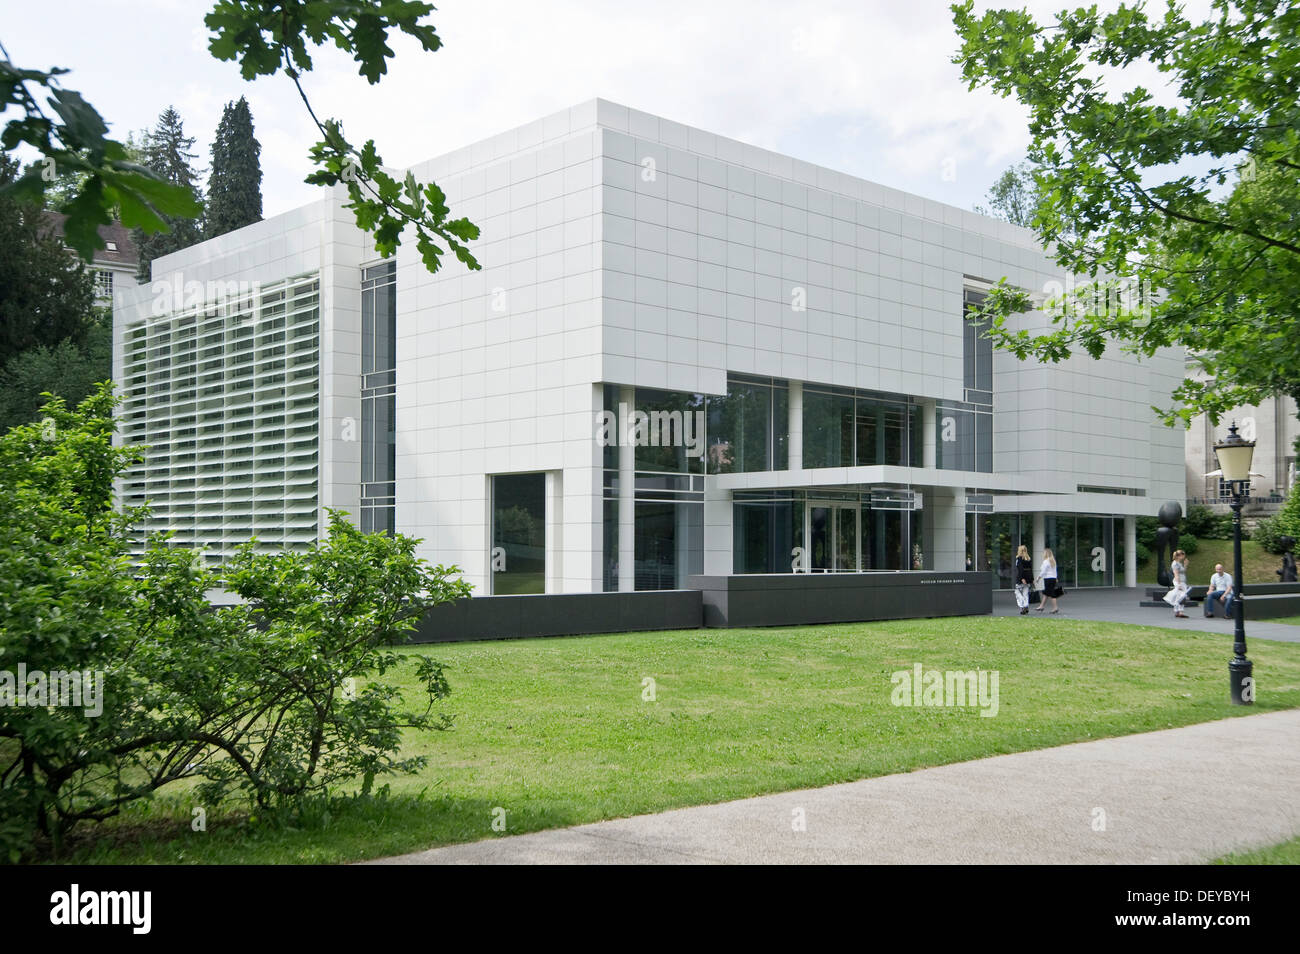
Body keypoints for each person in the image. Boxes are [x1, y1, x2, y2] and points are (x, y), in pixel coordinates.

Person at [1164, 549, 1190, 619]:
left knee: (1179, 596)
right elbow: (1176, 574)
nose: (1184, 557)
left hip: (1182, 581)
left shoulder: (1179, 563)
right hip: (1179, 582)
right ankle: (1180, 612)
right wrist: (1179, 585)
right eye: (1183, 555)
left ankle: (1177, 612)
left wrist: (1185, 565)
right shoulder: (1175, 563)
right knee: (1182, 596)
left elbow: (1183, 571)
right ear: (1180, 556)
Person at [1036, 547, 1062, 614]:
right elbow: (1055, 571)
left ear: (1046, 554)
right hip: (1053, 578)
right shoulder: (1053, 561)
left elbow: (1043, 571)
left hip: (1048, 579)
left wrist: (1038, 577)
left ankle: (1055, 608)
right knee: (1047, 593)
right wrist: (1056, 577)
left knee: (1051, 593)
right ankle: (1041, 606)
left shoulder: (1046, 561)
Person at [1013, 544, 1034, 615]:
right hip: (1028, 578)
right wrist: (1032, 579)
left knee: (1017, 592)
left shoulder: (1019, 558)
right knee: (1025, 593)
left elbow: (1020, 569)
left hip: (1021, 578)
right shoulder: (1028, 558)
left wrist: (1022, 578)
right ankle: (1026, 606)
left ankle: (1023, 606)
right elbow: (1031, 570)